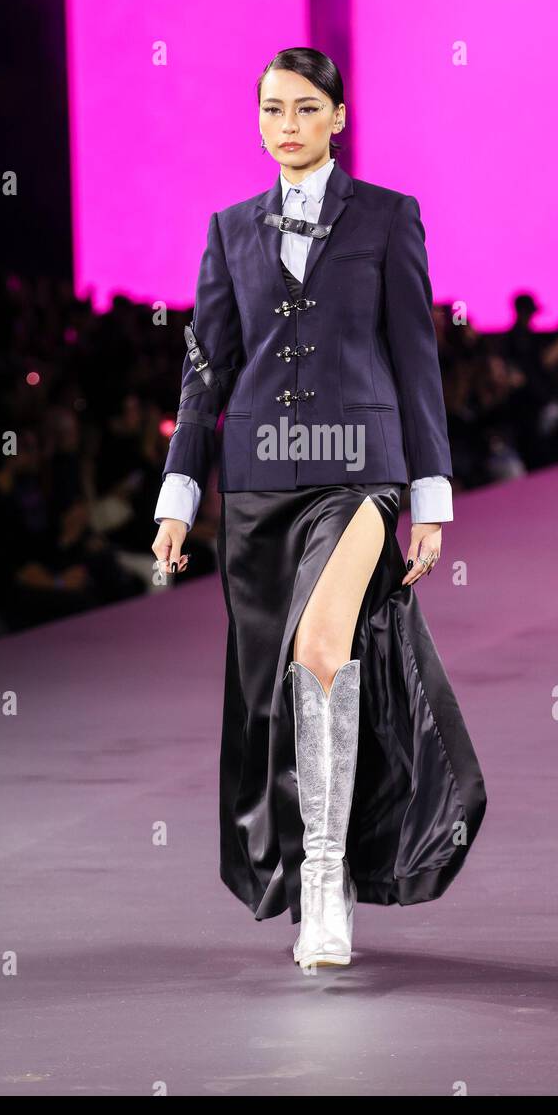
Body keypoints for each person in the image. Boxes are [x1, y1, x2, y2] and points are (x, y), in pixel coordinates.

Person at [151, 47, 486, 970]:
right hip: (257, 484)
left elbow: (416, 360)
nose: (284, 126)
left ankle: (326, 881)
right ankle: (309, 863)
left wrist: (429, 497)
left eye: (303, 108)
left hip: (358, 474)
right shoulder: (229, 230)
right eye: (269, 109)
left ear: (338, 116)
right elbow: (205, 371)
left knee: (323, 642)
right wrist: (179, 493)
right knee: (273, 689)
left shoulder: (387, 219)